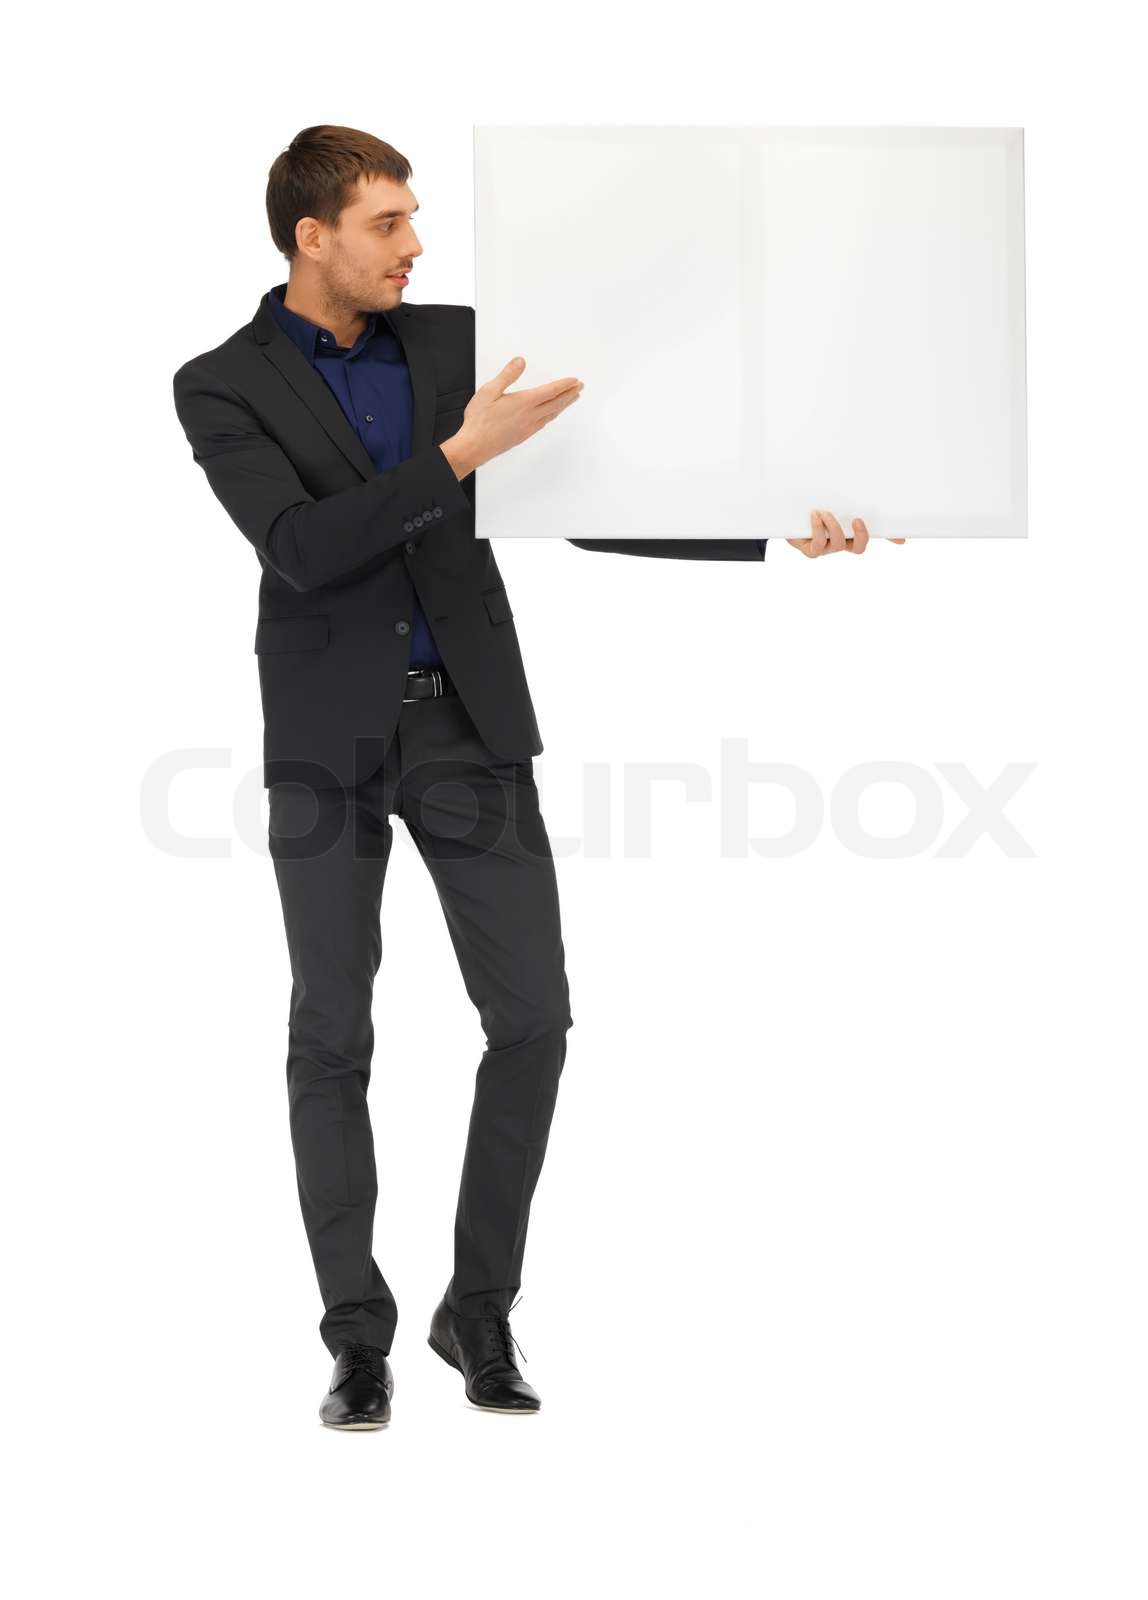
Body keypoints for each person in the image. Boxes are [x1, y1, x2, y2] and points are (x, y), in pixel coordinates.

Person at [172, 124, 904, 1431]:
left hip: (465, 724)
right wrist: (457, 455)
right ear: (311, 236)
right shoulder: (218, 382)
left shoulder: (453, 343)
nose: (415, 244)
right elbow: (299, 547)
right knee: (330, 1033)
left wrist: (775, 525)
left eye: (414, 219)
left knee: (534, 1020)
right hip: (327, 746)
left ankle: (478, 1310)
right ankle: (357, 1336)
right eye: (388, 223)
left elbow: (584, 486)